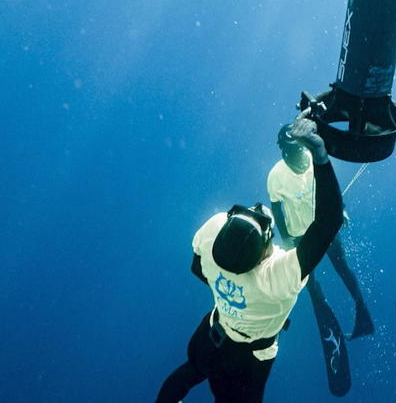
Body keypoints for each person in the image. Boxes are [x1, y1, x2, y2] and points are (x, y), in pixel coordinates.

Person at [156, 109, 344, 403]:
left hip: (211, 336)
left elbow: (197, 268)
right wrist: (319, 153)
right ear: (263, 253)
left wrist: (231, 293)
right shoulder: (276, 278)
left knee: (190, 371)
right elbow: (329, 221)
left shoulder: (213, 232)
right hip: (251, 360)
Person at [266, 124, 374, 395]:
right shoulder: (276, 176)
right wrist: (286, 237)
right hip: (300, 238)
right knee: (309, 284)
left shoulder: (313, 158)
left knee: (342, 267)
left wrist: (341, 211)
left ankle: (361, 310)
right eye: (292, 152)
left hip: (324, 226)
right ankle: (323, 311)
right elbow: (277, 210)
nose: (298, 156)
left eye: (299, 149)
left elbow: (330, 187)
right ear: (283, 151)